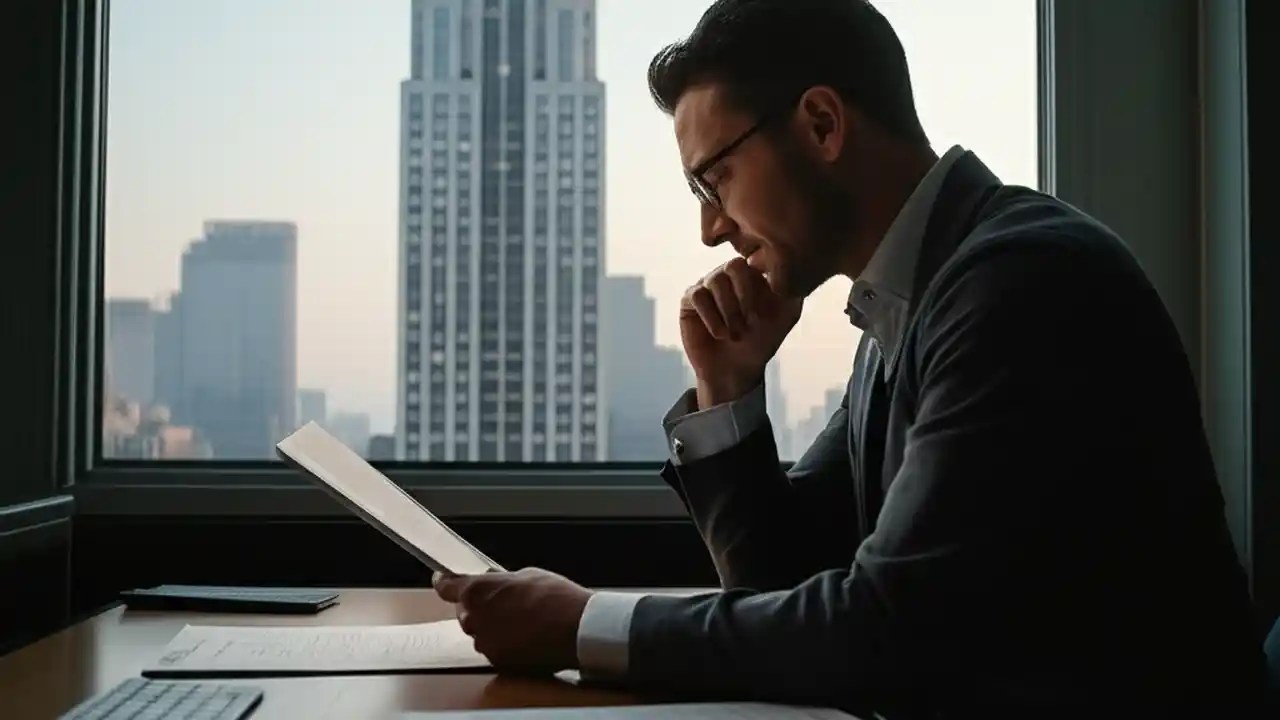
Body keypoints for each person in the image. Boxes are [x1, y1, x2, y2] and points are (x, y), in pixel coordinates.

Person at [434, 0, 1265, 715]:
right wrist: (728, 393)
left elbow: (885, 630)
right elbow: (785, 594)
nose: (710, 229)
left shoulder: (1020, 286)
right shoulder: (914, 301)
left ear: (822, 124)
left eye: (713, 180)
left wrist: (583, 624)